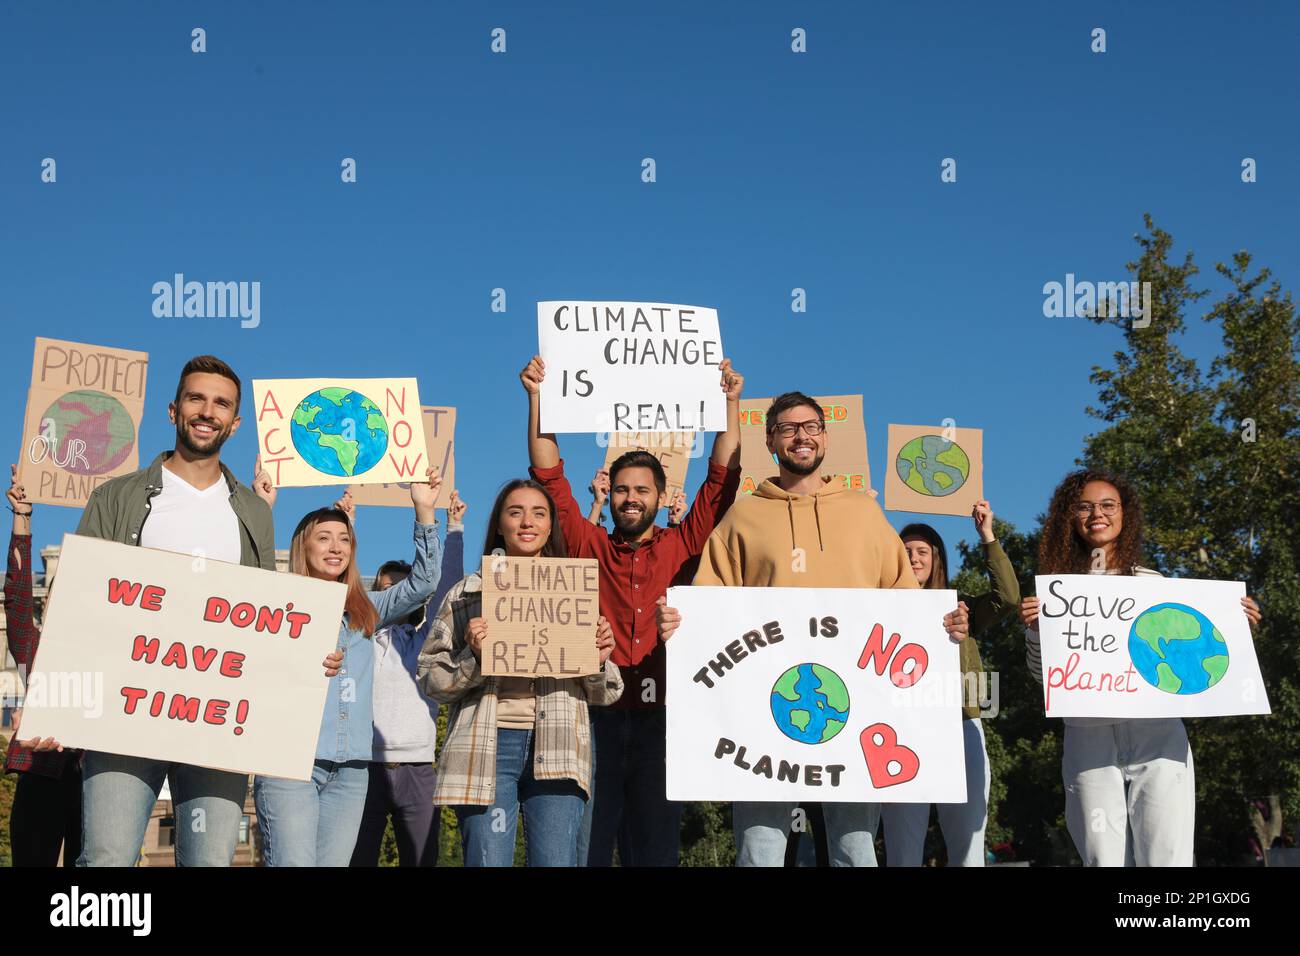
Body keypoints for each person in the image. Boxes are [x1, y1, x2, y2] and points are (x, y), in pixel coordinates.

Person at [656, 391, 970, 867]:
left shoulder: (865, 514)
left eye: (811, 427)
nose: (801, 436)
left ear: (825, 436)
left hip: (858, 708)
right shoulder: (742, 517)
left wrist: (942, 625)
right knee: (760, 849)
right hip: (762, 713)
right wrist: (680, 622)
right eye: (787, 428)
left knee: (855, 848)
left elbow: (906, 602)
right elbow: (708, 606)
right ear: (770, 441)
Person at [50, 355, 309, 867]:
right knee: (106, 858)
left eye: (221, 403)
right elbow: (79, 601)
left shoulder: (253, 512)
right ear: (174, 410)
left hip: (215, 719)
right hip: (125, 711)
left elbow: (261, 617)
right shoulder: (116, 495)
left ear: (235, 423)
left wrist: (302, 659)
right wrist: (61, 699)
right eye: (196, 398)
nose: (206, 411)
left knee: (211, 860)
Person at [521, 355, 744, 867]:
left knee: (655, 852)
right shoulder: (587, 544)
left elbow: (720, 480)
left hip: (665, 721)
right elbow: (550, 475)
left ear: (659, 496)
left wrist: (729, 404)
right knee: (589, 849)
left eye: (642, 489)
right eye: (621, 489)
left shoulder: (686, 544)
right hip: (595, 717)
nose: (629, 498)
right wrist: (537, 398)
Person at [1019, 469, 1261, 866]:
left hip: (1158, 734)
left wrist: (1235, 628)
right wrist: (1036, 632)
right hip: (1087, 736)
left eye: (1108, 505)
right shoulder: (1057, 593)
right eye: (1084, 506)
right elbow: (1041, 677)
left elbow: (1193, 657)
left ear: (1124, 514)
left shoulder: (1155, 584)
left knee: (1167, 855)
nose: (1097, 513)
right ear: (1069, 519)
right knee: (1102, 856)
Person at [418, 479, 623, 866]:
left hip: (559, 749)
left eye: (538, 513)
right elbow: (430, 679)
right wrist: (473, 658)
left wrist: (598, 661)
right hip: (487, 749)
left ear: (550, 527)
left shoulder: (575, 593)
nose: (527, 522)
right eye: (515, 512)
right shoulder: (467, 595)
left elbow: (606, 693)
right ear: (499, 525)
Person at [249, 465, 443, 866]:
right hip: (291, 764)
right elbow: (246, 594)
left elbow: (424, 583)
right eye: (324, 538)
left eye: (344, 539)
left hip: (353, 770)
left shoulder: (366, 610)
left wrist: (424, 511)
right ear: (303, 547)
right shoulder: (278, 601)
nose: (336, 547)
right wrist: (260, 510)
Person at [878, 500, 1020, 866]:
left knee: (968, 843)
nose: (913, 558)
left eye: (922, 551)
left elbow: (1007, 597)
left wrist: (987, 535)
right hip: (900, 732)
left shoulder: (963, 607)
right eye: (905, 551)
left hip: (960, 727)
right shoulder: (878, 608)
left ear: (937, 558)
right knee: (902, 846)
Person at [350, 489, 468, 867]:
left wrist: (455, 528)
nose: (393, 598)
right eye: (385, 590)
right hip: (363, 768)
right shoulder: (359, 638)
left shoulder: (424, 640)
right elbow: (343, 588)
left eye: (402, 591)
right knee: (356, 859)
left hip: (417, 769)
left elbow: (445, 588)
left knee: (422, 860)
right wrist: (348, 524)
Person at [4, 465, 83, 866]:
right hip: (41, 773)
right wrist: (22, 519)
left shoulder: (109, 654)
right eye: (57, 595)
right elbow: (16, 598)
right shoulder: (34, 648)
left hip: (94, 781)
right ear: (47, 604)